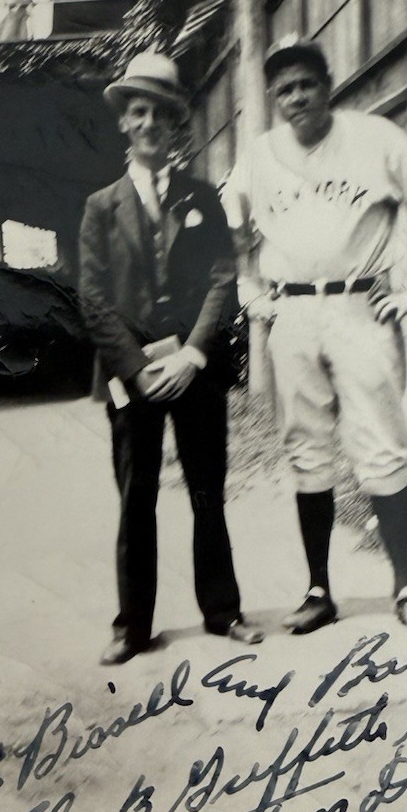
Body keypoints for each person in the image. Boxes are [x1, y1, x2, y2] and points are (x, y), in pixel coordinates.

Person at [223, 36, 407, 638]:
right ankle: (318, 590)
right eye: (284, 89)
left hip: (360, 309)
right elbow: (227, 229)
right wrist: (248, 290)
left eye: (305, 84)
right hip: (292, 313)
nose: (296, 97)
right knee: (307, 451)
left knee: (382, 447)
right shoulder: (259, 154)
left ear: (328, 85)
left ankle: (405, 587)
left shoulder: (375, 139)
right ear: (273, 99)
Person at [78, 50, 263, 666]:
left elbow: (221, 276)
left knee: (208, 491)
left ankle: (223, 611)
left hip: (193, 367)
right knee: (137, 497)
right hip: (133, 374)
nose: (150, 123)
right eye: (139, 112)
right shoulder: (101, 207)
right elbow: (94, 298)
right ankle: (132, 625)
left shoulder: (201, 196)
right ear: (124, 124)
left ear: (175, 124)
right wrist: (137, 366)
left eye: (161, 113)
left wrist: (190, 356)